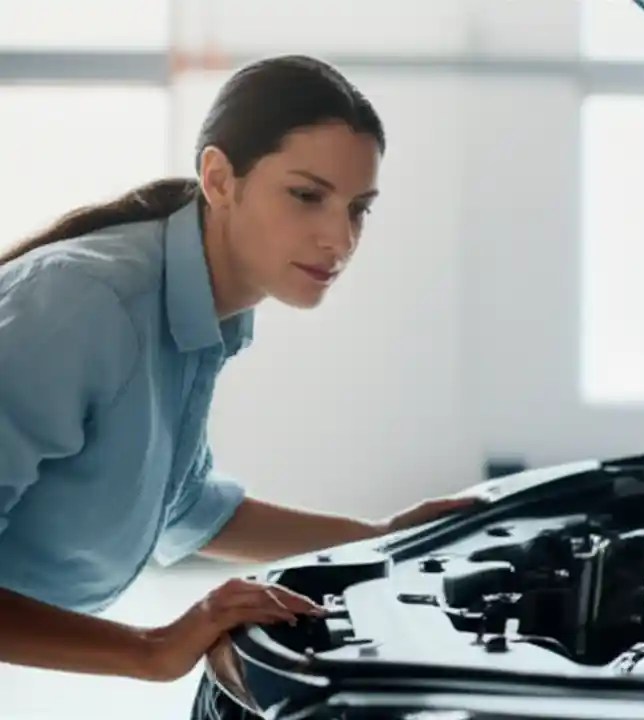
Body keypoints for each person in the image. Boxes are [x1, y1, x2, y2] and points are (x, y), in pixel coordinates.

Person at [0, 55, 480, 683]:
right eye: (306, 196)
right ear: (220, 178)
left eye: (359, 208)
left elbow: (181, 503)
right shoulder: (86, 303)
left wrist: (379, 537)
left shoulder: (204, 311)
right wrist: (152, 649)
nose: (340, 239)